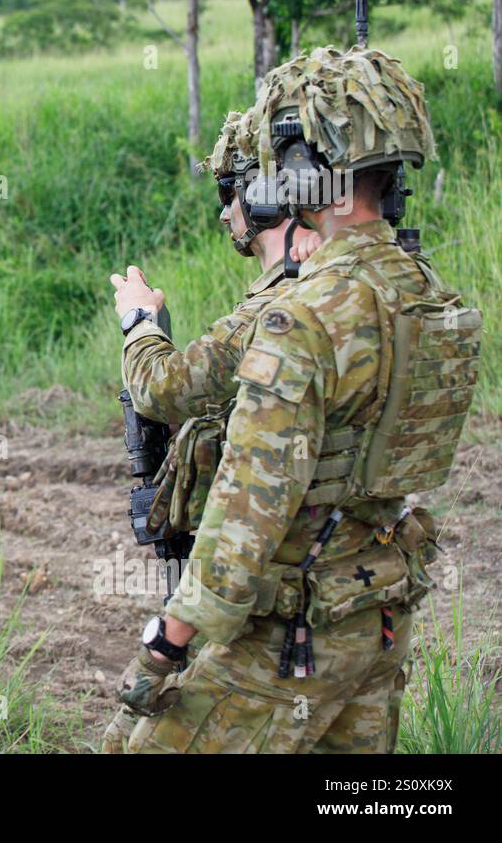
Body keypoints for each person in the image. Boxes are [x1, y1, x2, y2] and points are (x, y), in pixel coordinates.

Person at [118, 46, 480, 753]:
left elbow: (247, 511)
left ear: (312, 173)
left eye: (283, 159)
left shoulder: (304, 317)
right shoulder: (427, 293)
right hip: (377, 613)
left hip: (289, 635)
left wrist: (167, 642)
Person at [100, 110, 320, 753]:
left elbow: (164, 388)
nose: (225, 216)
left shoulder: (282, 309)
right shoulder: (345, 288)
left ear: (267, 196)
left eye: (230, 195)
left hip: (263, 584)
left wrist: (139, 320)